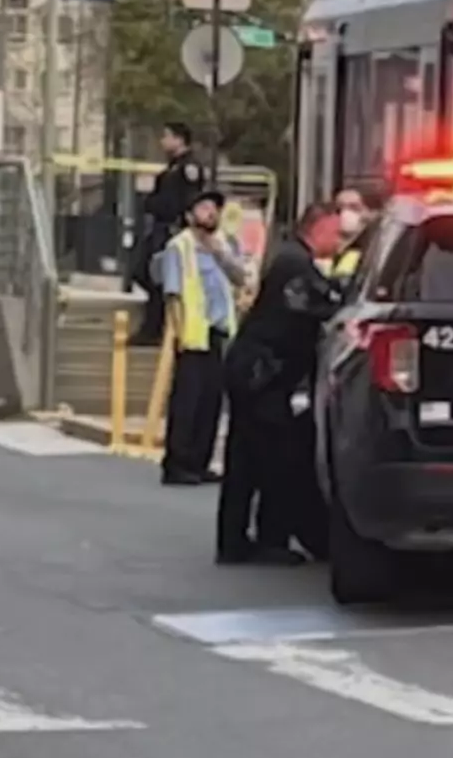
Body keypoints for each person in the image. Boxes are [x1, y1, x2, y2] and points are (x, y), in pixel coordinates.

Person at [216, 201, 346, 565]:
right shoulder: (294, 264)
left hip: (256, 371)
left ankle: (234, 541)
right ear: (317, 227)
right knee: (274, 459)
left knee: (244, 460)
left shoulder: (291, 259)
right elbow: (315, 305)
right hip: (262, 374)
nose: (338, 241)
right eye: (335, 232)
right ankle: (270, 540)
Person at [158, 190, 245, 488]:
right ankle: (177, 463)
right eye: (205, 207)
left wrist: (220, 254)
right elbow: (172, 294)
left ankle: (200, 461)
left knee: (211, 400)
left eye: (215, 208)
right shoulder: (178, 247)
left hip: (220, 331)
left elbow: (241, 277)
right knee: (187, 401)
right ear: (189, 215)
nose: (211, 213)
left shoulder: (224, 244)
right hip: (193, 334)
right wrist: (178, 333)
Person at [130, 123, 206, 346]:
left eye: (166, 137)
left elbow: (185, 201)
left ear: (180, 139)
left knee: (158, 278)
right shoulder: (174, 167)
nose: (162, 142)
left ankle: (156, 328)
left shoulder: (188, 168)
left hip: (172, 230)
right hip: (161, 228)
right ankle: (157, 324)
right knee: (144, 272)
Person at [329, 186, 374, 281]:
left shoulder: (372, 248)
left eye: (354, 207)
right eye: (339, 208)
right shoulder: (325, 248)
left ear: (368, 213)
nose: (345, 213)